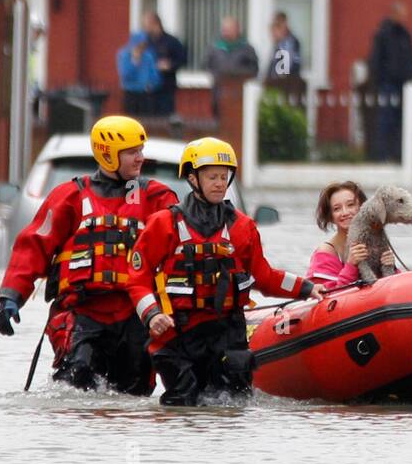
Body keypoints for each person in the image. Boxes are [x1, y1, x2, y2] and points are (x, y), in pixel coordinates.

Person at [128, 138, 323, 406]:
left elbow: (263, 276)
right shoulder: (165, 224)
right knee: (183, 399)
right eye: (212, 177)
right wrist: (152, 314)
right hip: (178, 334)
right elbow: (137, 278)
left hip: (227, 332)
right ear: (193, 179)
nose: (220, 183)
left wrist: (306, 287)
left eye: (224, 176)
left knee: (233, 404)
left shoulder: (243, 227)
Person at [0, 116, 178, 393]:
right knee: (77, 375)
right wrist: (11, 296)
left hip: (136, 314)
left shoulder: (157, 198)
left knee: (136, 386)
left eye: (141, 150)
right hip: (82, 312)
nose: (140, 158)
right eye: (132, 152)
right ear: (108, 155)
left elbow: (183, 249)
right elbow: (33, 246)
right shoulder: (69, 197)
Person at [307, 180, 397, 290]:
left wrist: (391, 267)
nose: (345, 212)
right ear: (330, 216)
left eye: (350, 205)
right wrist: (351, 265)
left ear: (363, 207)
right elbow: (325, 297)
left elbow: (394, 289)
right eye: (337, 209)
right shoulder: (325, 253)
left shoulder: (376, 244)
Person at [368, 0, 412, 161]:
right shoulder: (383, 34)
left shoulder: (405, 34)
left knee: (400, 121)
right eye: (402, 14)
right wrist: (380, 79)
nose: (404, 17)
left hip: (403, 86)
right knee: (385, 120)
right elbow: (376, 59)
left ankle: (398, 154)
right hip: (387, 85)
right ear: (394, 14)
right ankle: (382, 155)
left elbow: (411, 58)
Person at [205, 16, 259, 118]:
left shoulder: (247, 49)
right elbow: (207, 65)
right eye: (224, 29)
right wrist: (217, 75)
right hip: (219, 92)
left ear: (237, 30)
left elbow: (254, 69)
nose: (225, 32)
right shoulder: (215, 47)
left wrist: (237, 75)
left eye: (228, 29)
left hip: (240, 94)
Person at [142, 11, 187, 117]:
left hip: (166, 86)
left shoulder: (171, 41)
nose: (145, 28)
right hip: (146, 88)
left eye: (147, 24)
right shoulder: (144, 42)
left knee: (164, 116)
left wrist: (170, 65)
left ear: (155, 23)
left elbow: (183, 59)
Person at [117, 30, 161, 116]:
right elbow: (125, 75)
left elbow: (155, 75)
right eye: (139, 45)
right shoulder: (125, 55)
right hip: (130, 93)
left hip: (145, 94)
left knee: (146, 120)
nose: (141, 48)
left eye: (143, 45)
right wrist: (135, 61)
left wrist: (151, 84)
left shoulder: (148, 56)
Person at [265, 11, 302, 80]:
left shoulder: (287, 43)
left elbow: (284, 71)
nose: (272, 35)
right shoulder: (279, 44)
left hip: (285, 84)